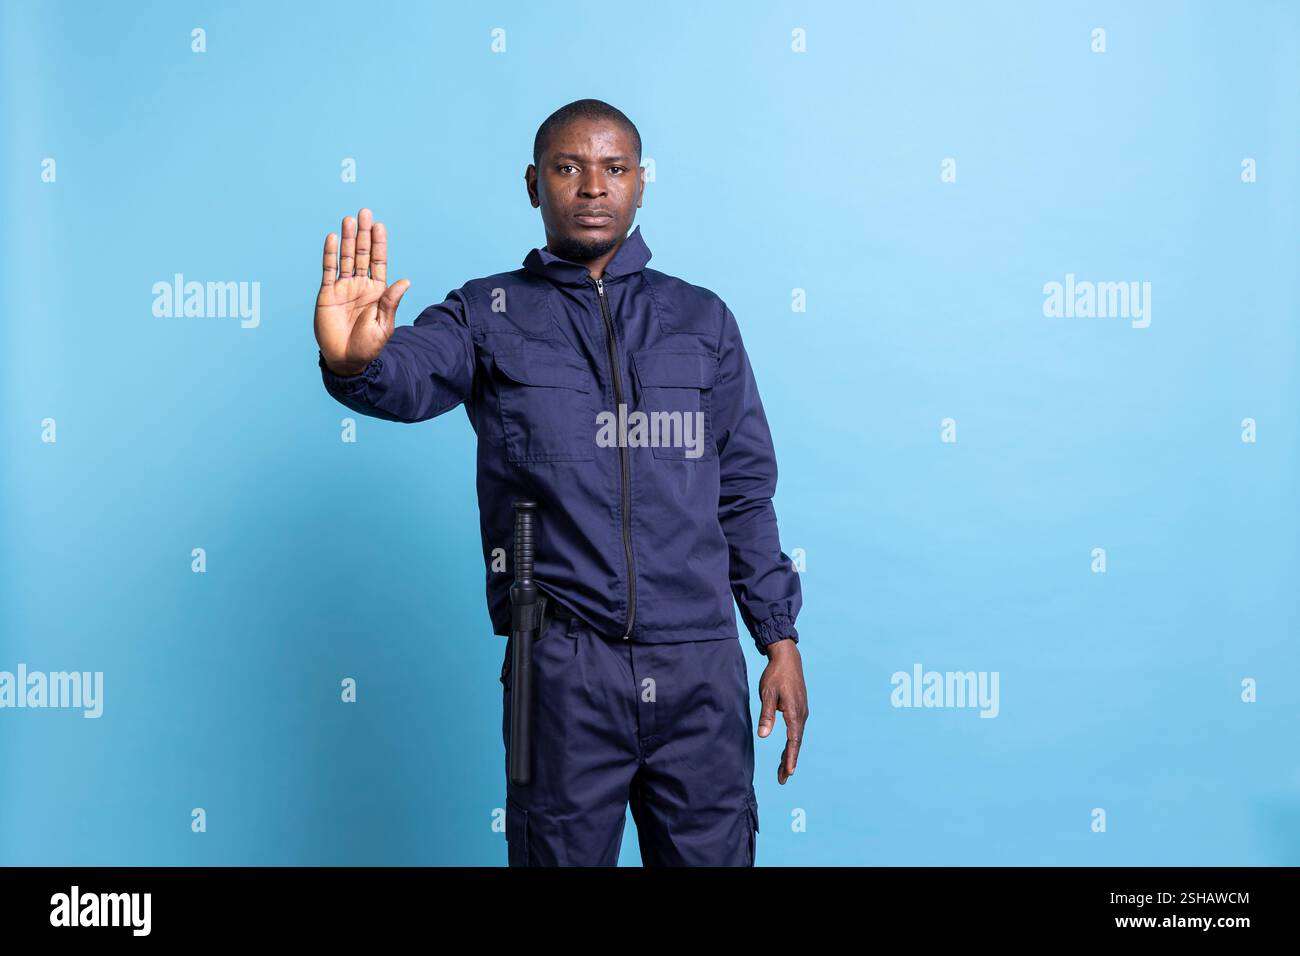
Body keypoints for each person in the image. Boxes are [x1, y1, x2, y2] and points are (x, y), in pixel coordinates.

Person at [315, 99, 807, 866]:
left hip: (700, 667)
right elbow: (410, 376)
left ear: (642, 184)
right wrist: (356, 362)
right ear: (532, 183)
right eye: (568, 168)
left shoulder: (702, 320)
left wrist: (778, 637)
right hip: (564, 671)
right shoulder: (488, 312)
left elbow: (744, 491)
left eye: (614, 169)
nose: (592, 188)